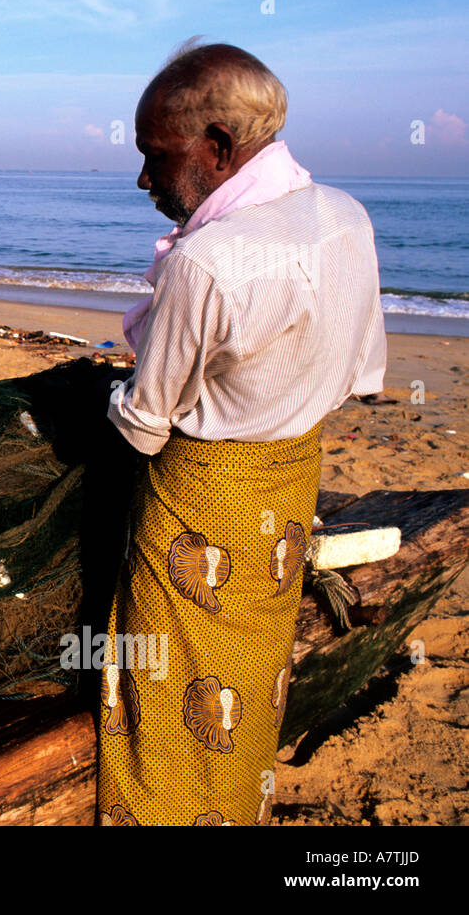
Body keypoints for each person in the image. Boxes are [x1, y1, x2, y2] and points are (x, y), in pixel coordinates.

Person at [96, 42, 386, 826]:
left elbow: (145, 426)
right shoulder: (348, 220)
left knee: (164, 703)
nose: (144, 179)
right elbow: (358, 368)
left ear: (218, 148)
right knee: (249, 686)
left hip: (199, 511)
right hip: (288, 499)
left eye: (156, 156)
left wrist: (110, 402)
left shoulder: (208, 261)